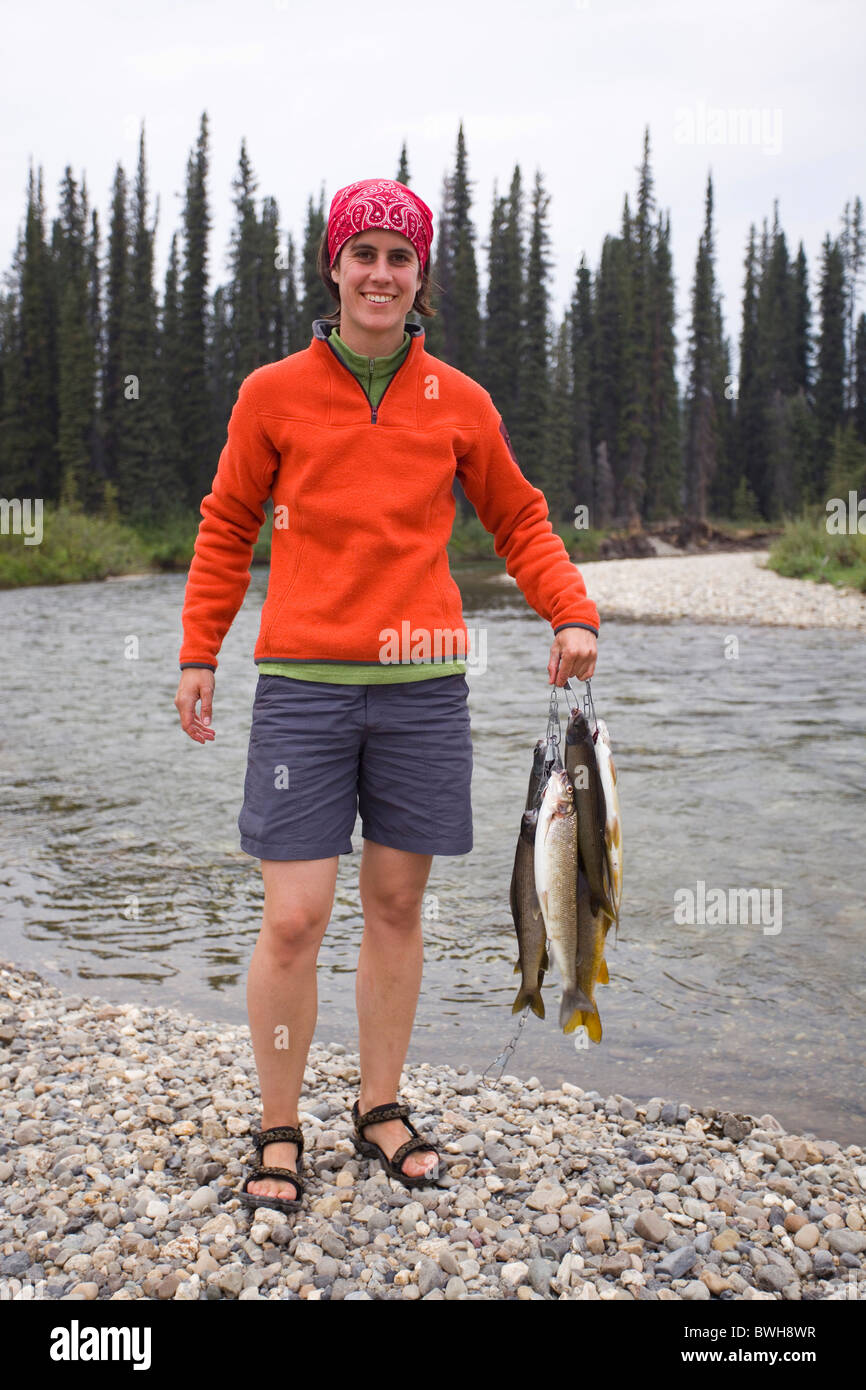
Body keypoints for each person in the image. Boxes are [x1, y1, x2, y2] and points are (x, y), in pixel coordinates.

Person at [174, 177, 599, 1213]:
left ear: (421, 278)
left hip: (422, 691)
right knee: (294, 919)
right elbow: (229, 523)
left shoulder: (460, 403)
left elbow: (521, 518)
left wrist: (569, 610)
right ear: (334, 266)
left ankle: (378, 1106)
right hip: (301, 694)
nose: (378, 273)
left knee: (398, 903)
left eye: (398, 257)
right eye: (361, 253)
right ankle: (279, 1126)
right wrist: (199, 650)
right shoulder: (271, 393)